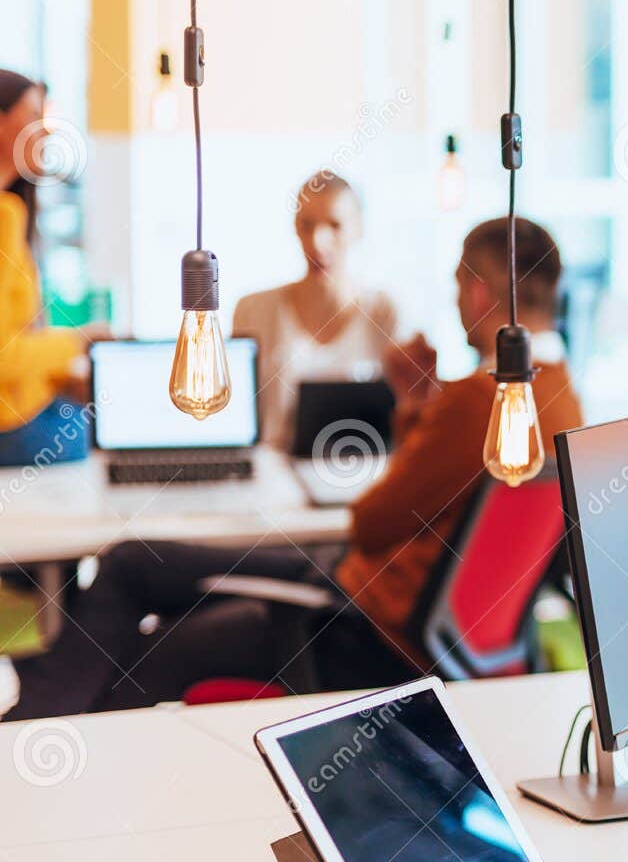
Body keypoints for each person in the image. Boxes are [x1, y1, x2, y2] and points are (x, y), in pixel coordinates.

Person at [0, 217, 581, 720]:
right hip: (411, 627)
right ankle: (42, 714)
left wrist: (422, 414)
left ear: (479, 295)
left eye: (459, 287)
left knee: (137, 622)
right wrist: (413, 410)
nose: (456, 304)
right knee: (131, 589)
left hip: (361, 633)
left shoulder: (477, 400)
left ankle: (34, 727)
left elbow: (372, 522)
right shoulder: (563, 397)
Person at [232, 171, 399, 450]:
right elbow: (237, 415)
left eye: (334, 225)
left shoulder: (384, 312)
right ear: (295, 228)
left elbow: (404, 413)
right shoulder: (253, 310)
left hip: (363, 468)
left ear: (358, 229)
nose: (317, 241)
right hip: (279, 471)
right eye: (306, 225)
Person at [0, 70, 95, 461]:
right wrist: (81, 340)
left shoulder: (13, 210)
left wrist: (63, 374)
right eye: (34, 115)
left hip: (27, 409)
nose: (47, 132)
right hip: (12, 426)